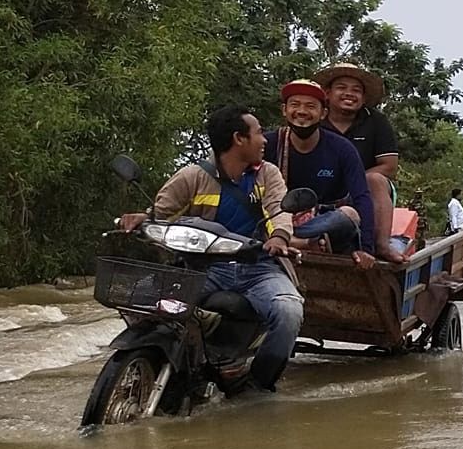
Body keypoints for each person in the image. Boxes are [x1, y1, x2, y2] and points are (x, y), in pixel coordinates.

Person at [121, 107, 303, 391]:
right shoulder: (192, 176)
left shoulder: (268, 174)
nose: (264, 140)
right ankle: (154, 359)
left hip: (259, 268)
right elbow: (161, 213)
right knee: (143, 298)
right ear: (239, 139)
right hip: (203, 268)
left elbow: (279, 210)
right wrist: (143, 219)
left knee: (289, 312)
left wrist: (279, 237)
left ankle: (257, 385)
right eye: (258, 133)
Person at [265, 79, 377, 267]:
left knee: (348, 214)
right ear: (284, 110)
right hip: (277, 221)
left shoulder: (342, 148)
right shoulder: (269, 144)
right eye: (295, 104)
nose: (302, 111)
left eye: (310, 106)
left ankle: (298, 240)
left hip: (322, 222)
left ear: (323, 113)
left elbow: (362, 196)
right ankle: (300, 242)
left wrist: (366, 249)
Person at [312, 61, 405, 262]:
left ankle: (381, 245)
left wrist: (354, 182)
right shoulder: (316, 121)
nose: (349, 94)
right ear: (327, 93)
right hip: (321, 185)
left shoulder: (376, 121)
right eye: (342, 88)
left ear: (363, 97)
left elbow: (389, 166)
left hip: (366, 188)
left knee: (375, 180)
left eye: (356, 90)